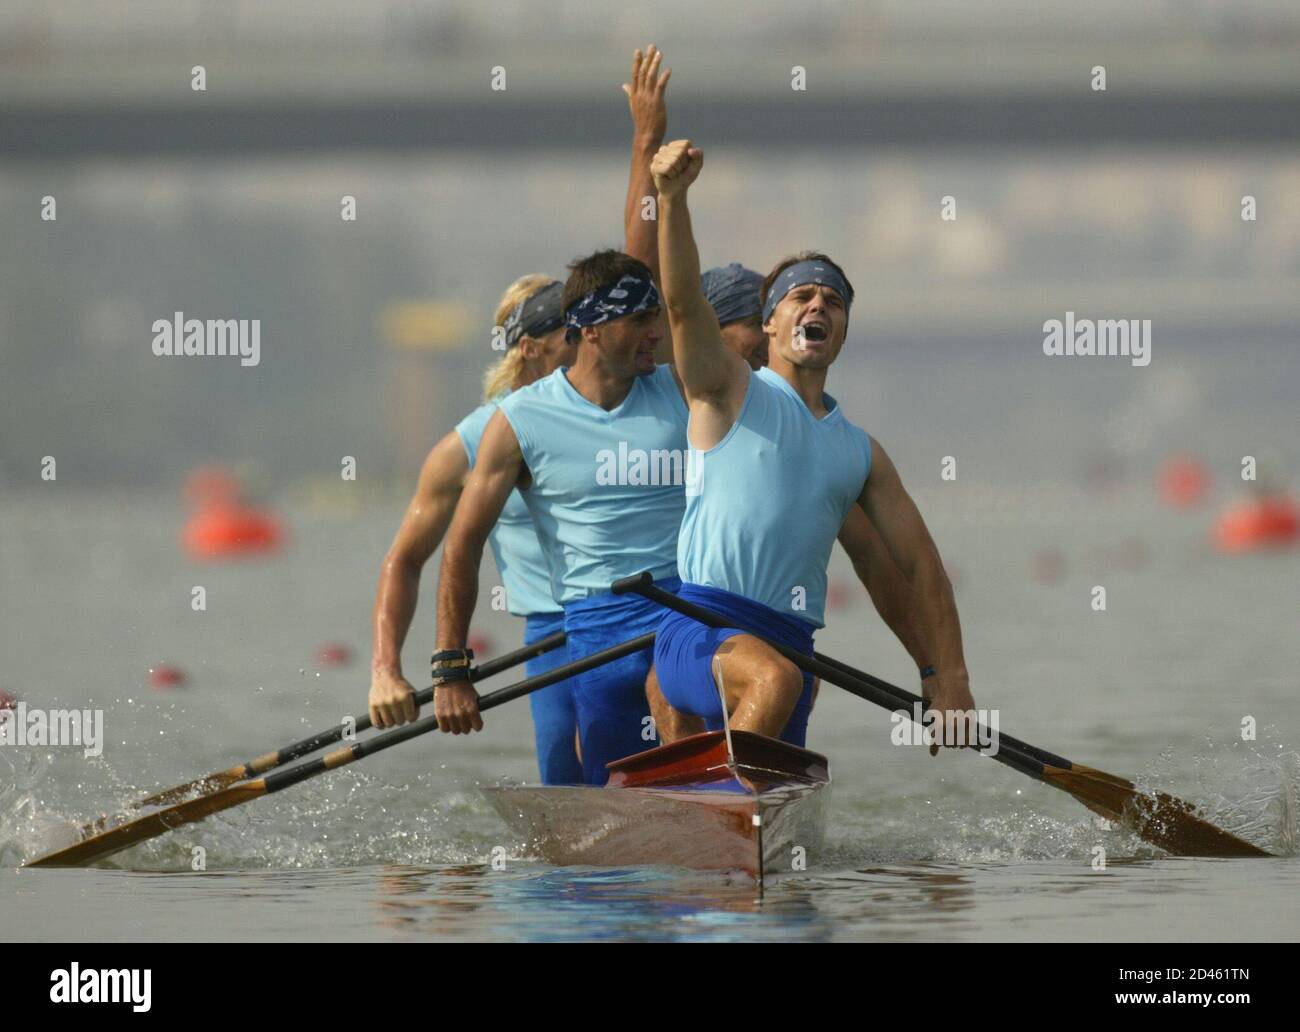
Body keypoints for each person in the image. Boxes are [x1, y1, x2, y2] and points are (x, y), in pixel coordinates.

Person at [648, 137, 976, 751]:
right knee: (774, 681)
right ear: (770, 322)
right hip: (700, 628)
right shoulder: (725, 389)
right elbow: (683, 305)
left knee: (785, 691)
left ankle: (744, 816)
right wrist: (672, 199)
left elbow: (915, 566)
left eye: (833, 300)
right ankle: (724, 811)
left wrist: (945, 678)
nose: (818, 304)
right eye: (800, 296)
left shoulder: (861, 453)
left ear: (844, 329)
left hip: (792, 645)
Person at [432, 250, 691, 784]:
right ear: (592, 329)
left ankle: (711, 814)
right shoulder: (521, 422)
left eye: (657, 317)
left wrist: (666, 189)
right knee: (590, 788)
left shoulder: (686, 390)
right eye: (640, 319)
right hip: (594, 627)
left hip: (681, 606)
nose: (656, 333)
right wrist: (451, 671)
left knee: (673, 697)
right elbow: (462, 546)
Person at [367, 276, 584, 784]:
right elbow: (405, 561)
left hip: (636, 616)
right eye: (570, 335)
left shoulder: (620, 416)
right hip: (552, 636)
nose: (587, 343)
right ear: (530, 349)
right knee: (570, 781)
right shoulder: (466, 446)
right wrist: (386, 672)